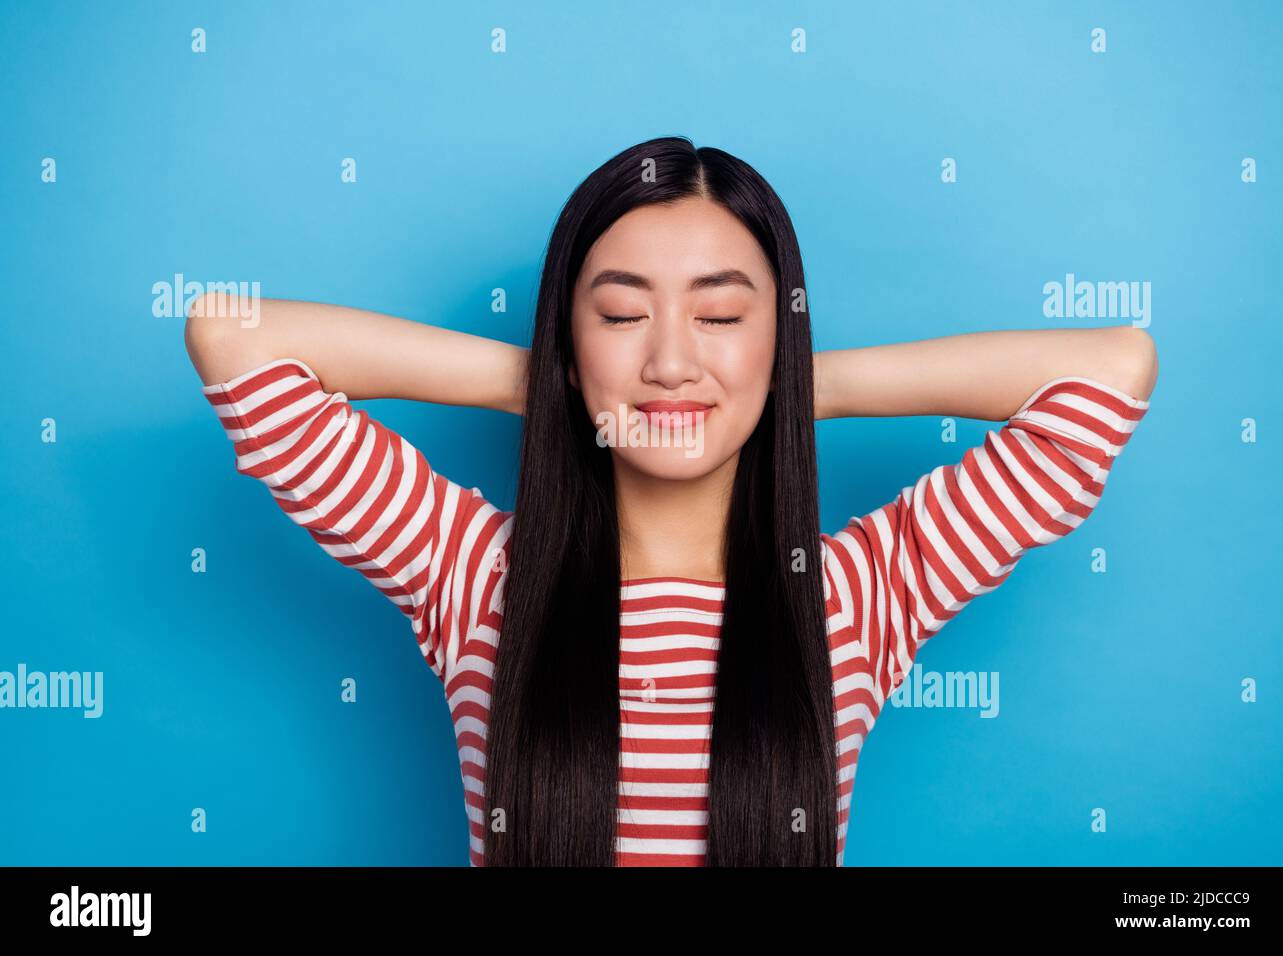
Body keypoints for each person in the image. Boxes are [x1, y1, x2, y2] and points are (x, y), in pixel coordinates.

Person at [184, 136, 1158, 867]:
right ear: (569, 336)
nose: (670, 359)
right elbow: (234, 337)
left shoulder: (855, 597)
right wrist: (560, 383)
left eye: (723, 316)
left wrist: (786, 389)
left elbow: (1111, 369)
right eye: (619, 314)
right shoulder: (474, 574)